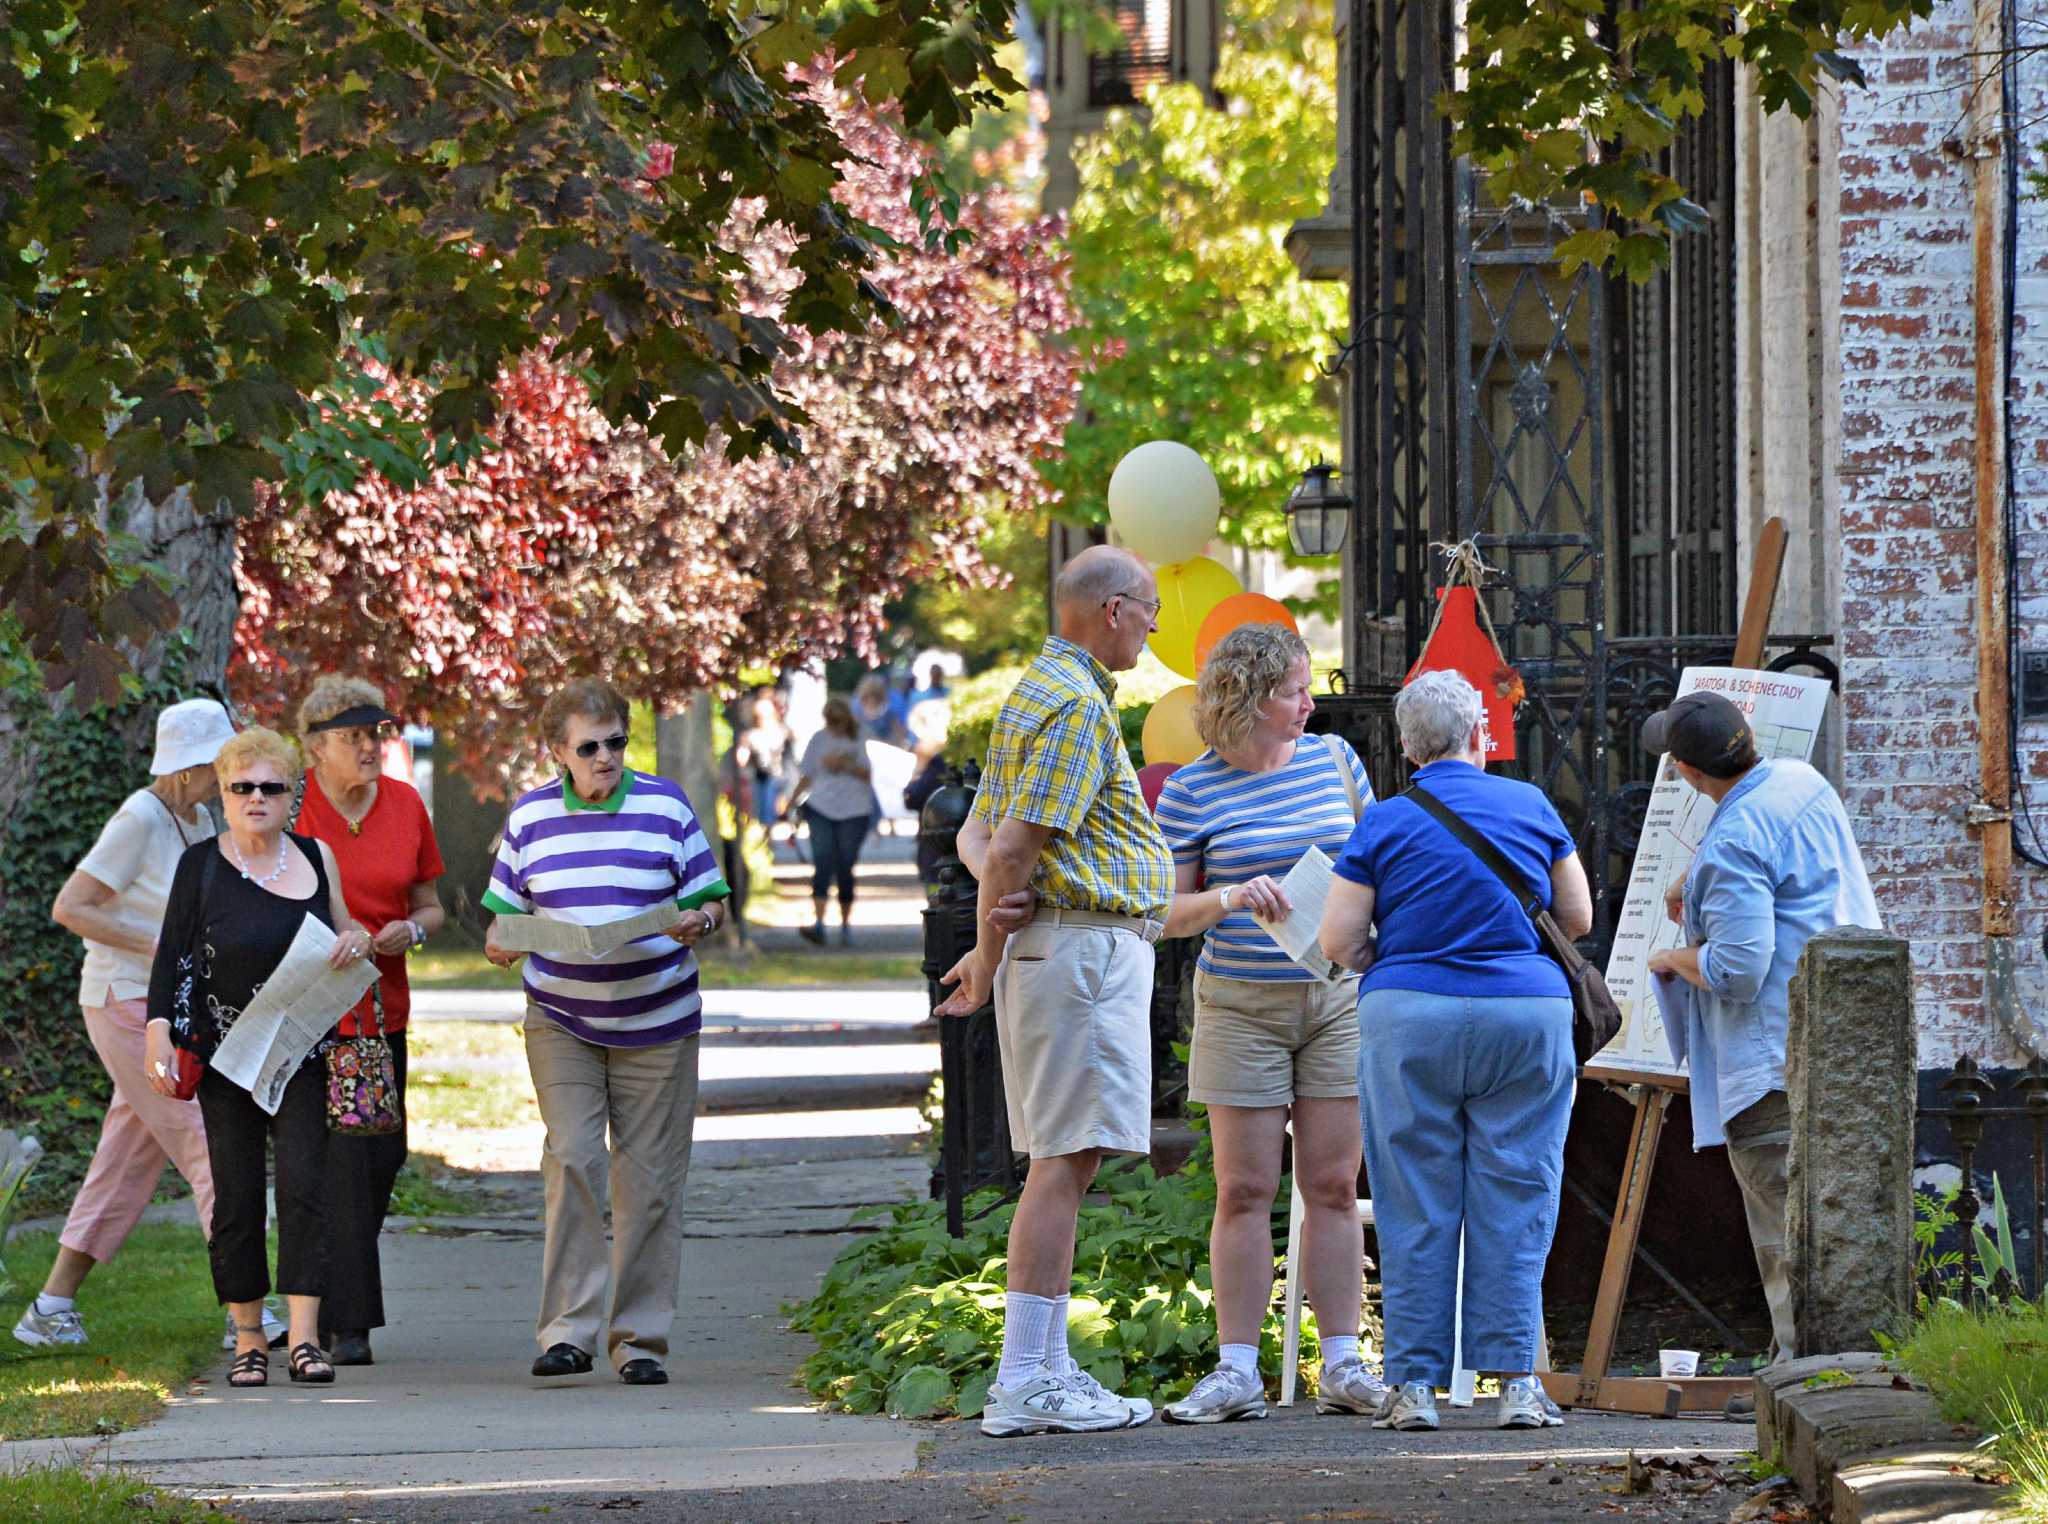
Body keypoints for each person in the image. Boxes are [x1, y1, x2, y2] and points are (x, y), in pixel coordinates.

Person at [937, 544, 1174, 1438]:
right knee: (1065, 1164)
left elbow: (978, 837)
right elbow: (1002, 851)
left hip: (1063, 952)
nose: (1155, 625)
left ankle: (1044, 1368)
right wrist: (990, 950)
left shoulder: (1039, 690)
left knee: (1061, 1161)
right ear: (1112, 608)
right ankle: (1026, 1379)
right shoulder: (1075, 706)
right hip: (1078, 960)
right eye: (1149, 609)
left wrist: (1005, 917)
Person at [1317, 670, 1593, 1434]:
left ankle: (1413, 1388)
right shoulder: (1532, 806)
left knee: (1414, 1201)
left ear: (1405, 747)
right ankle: (1516, 1385)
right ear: (1480, 734)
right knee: (1518, 1194)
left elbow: (1338, 940)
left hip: (1411, 1021)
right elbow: (1577, 914)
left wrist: (1402, 960)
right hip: (1525, 1017)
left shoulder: (1383, 822)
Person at [1150, 624, 1384, 1424]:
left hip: (1337, 999)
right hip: (1242, 1006)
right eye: (1293, 691)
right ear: (1248, 698)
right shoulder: (1191, 791)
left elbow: (1380, 860)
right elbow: (1166, 915)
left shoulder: (1335, 761)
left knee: (1331, 1184)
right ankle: (1238, 1369)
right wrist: (1229, 896)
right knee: (1244, 1188)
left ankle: (1346, 1361)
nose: (1309, 703)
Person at [13, 700, 286, 1352]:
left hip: (171, 1006)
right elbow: (71, 906)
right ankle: (246, 1312)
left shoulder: (195, 821)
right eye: (220, 765)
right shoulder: (140, 817)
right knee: (207, 1142)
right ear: (188, 766)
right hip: (124, 1003)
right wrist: (160, 944)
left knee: (124, 1164)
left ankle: (50, 1308)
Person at [481, 679, 728, 1386]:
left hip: (659, 1017)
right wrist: (502, 942)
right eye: (587, 747)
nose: (605, 757)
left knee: (650, 1182)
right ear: (556, 752)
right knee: (574, 1157)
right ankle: (568, 1332)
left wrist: (696, 921)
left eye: (615, 741)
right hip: (562, 1019)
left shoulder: (665, 806)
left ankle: (640, 1339)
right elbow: (502, 912)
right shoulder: (530, 818)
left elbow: (710, 900)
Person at [1641, 691, 1878, 1384]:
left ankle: (1801, 1377)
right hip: (1840, 1033)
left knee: (1783, 1225)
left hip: (1771, 1056)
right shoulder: (1799, 781)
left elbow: (1738, 969)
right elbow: (1784, 871)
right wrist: (1704, 874)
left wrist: (1671, 959)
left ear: (1687, 772)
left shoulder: (1734, 842)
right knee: (1835, 1218)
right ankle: (1831, 1367)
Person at [146, 726, 377, 1390]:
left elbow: (346, 931)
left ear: (291, 795)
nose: (255, 798)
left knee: (307, 1188)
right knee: (238, 1199)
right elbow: (171, 957)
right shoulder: (202, 866)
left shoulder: (316, 856)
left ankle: (304, 1338)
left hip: (302, 1051)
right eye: (240, 787)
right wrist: (158, 1029)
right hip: (225, 1058)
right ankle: (249, 1335)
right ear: (221, 794)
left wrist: (356, 942)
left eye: (270, 787)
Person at [294, 676, 446, 1367]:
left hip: (383, 1011)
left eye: (376, 733)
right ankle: (345, 1326)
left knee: (382, 1155)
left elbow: (432, 905)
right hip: (311, 1015)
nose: (370, 747)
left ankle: (321, 1297)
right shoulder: (289, 806)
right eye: (353, 736)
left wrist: (408, 933)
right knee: (344, 1164)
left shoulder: (407, 805)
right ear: (315, 746)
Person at [788, 697, 875, 947]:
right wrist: (792, 803)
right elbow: (807, 774)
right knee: (822, 862)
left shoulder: (861, 738)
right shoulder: (819, 739)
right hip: (821, 806)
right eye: (830, 722)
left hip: (855, 809)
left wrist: (845, 765)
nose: (834, 727)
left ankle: (846, 925)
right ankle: (819, 923)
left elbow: (871, 775)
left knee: (846, 865)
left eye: (837, 722)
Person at [738, 688, 791, 847]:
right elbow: (743, 755)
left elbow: (790, 756)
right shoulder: (751, 735)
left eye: (766, 716)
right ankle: (763, 833)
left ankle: (767, 834)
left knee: (769, 796)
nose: (763, 720)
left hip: (778, 776)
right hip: (759, 775)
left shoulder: (782, 732)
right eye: (759, 717)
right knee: (758, 800)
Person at [852, 672, 909, 749]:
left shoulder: (888, 711)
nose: (871, 700)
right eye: (868, 696)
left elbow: (900, 733)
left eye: (875, 696)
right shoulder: (856, 708)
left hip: (882, 749)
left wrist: (904, 745)